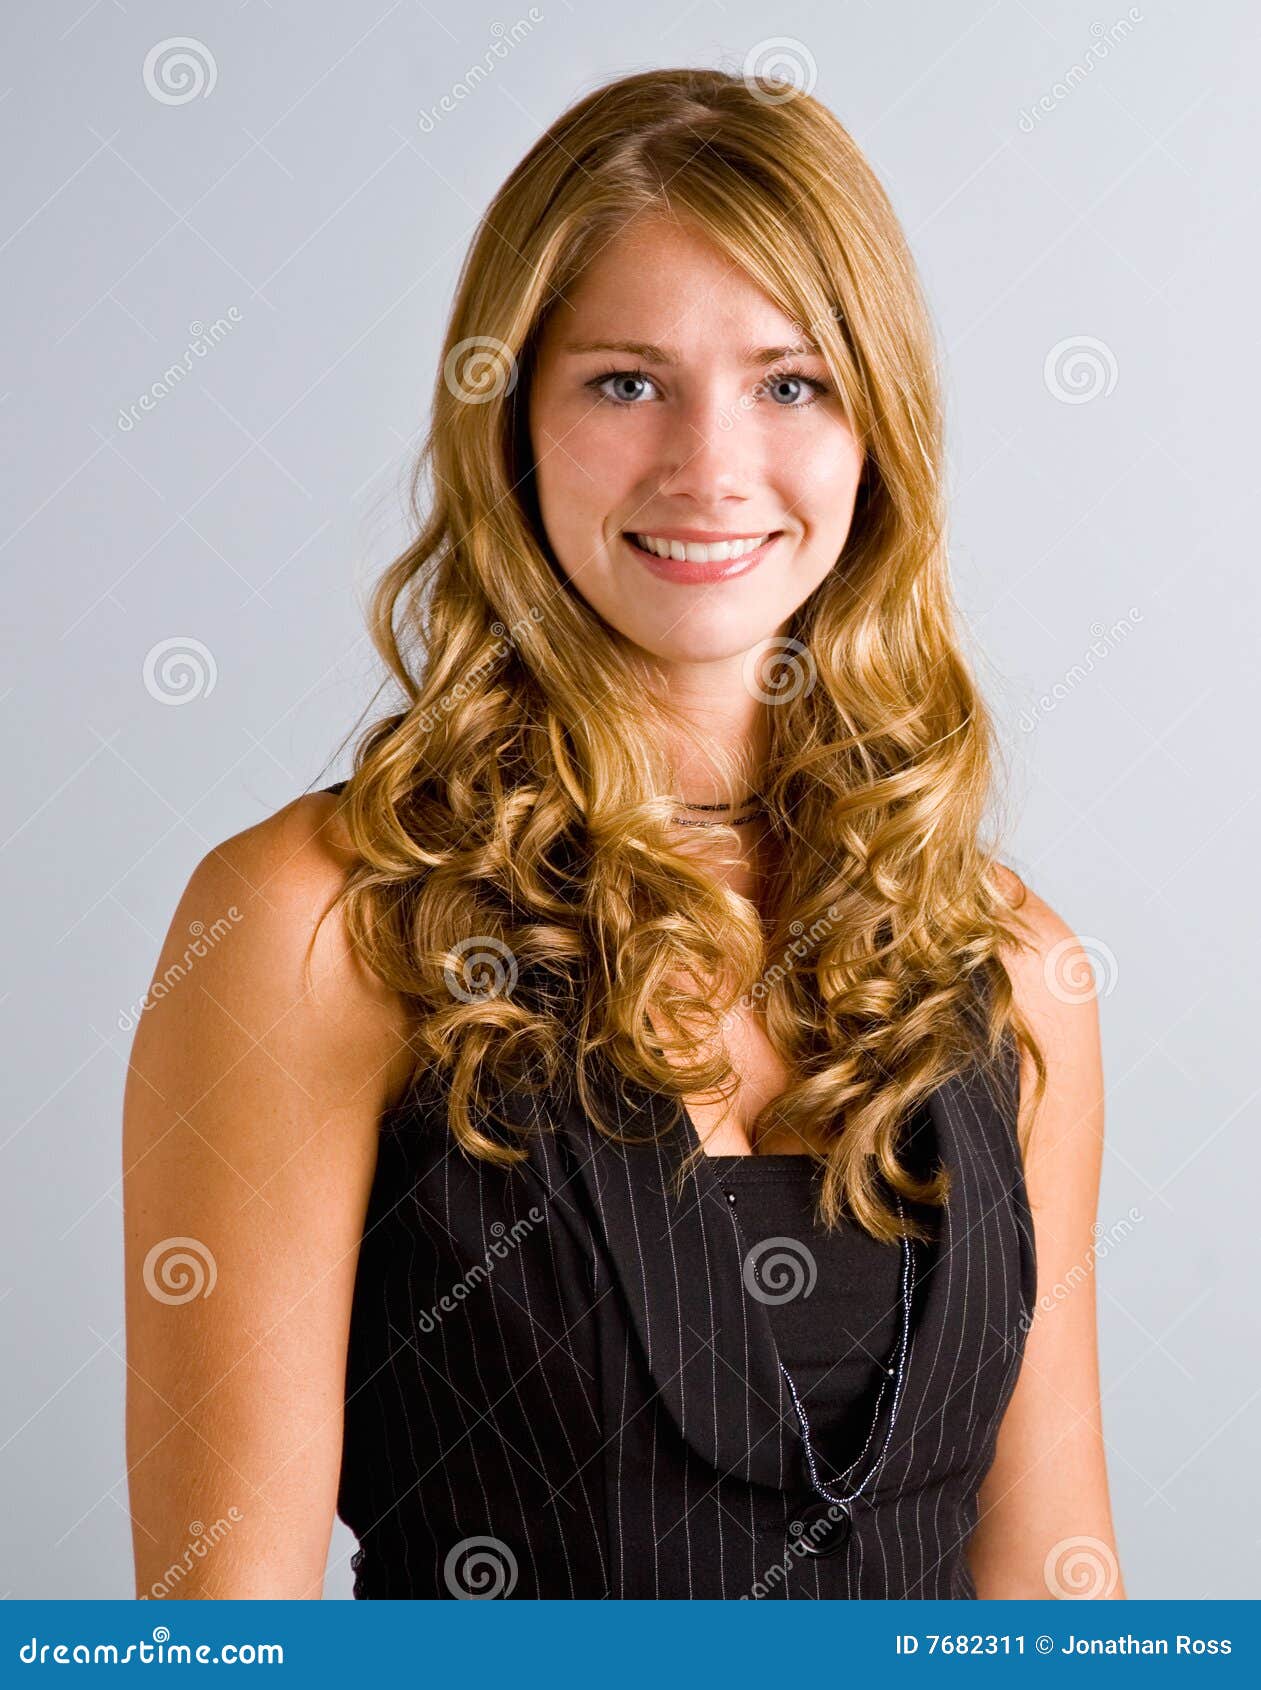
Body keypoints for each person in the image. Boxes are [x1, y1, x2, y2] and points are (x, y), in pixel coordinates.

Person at [123, 66, 1124, 1600]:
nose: (707, 466)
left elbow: (1058, 1596)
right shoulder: (314, 924)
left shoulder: (1012, 966)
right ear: (511, 419)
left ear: (876, 432)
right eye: (623, 381)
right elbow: (221, 1628)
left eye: (790, 382)